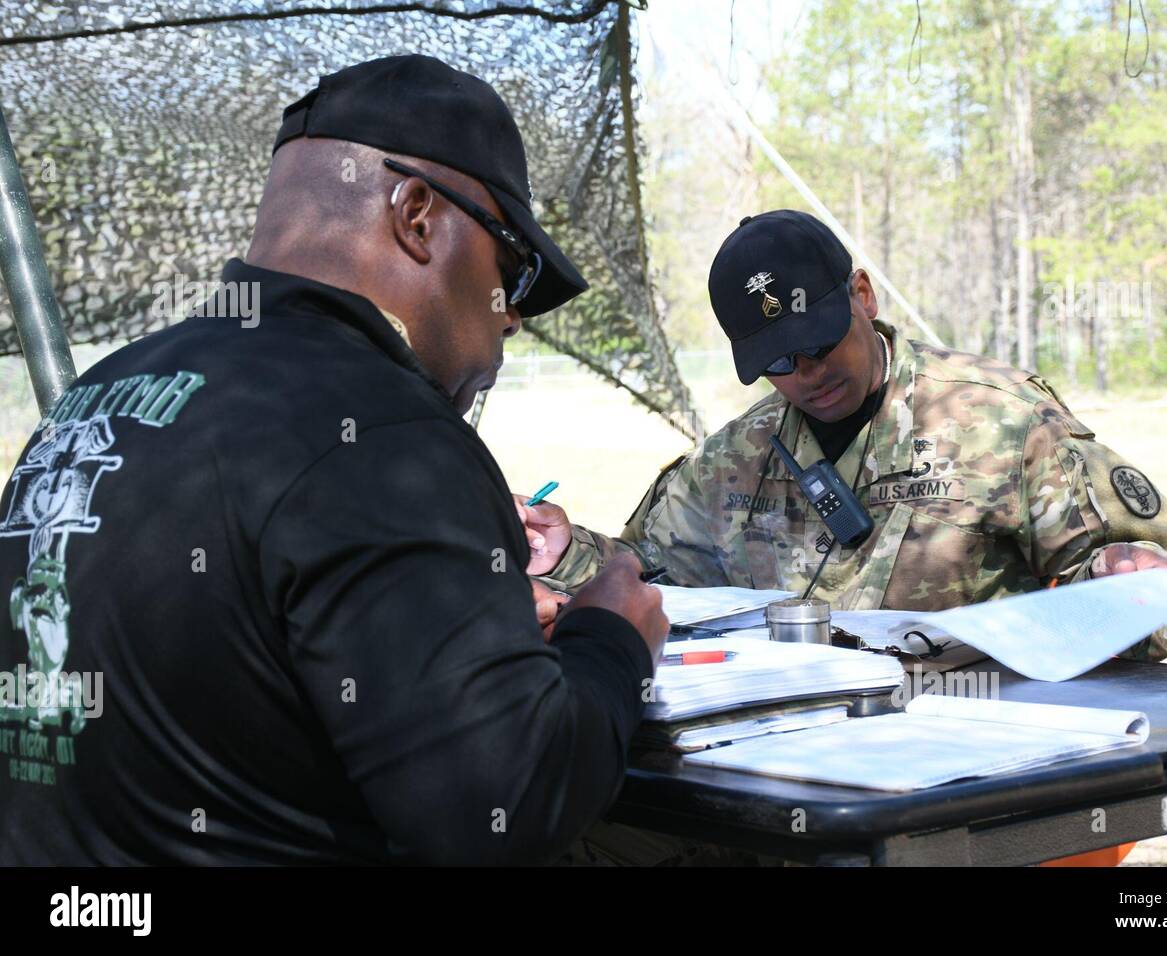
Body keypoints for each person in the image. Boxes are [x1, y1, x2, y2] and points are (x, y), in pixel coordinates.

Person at [0, 54, 667, 865]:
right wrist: (610, 638)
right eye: (511, 269)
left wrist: (446, 626)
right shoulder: (385, 430)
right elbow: (503, 809)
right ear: (417, 215)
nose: (512, 319)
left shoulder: (96, 397)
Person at [526, 210, 1167, 662]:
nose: (806, 374)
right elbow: (651, 574)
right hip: (791, 760)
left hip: (974, 756)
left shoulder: (1002, 420)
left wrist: (1130, 580)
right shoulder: (735, 457)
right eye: (777, 363)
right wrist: (568, 551)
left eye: (817, 343)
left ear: (863, 295)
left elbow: (1144, 586)